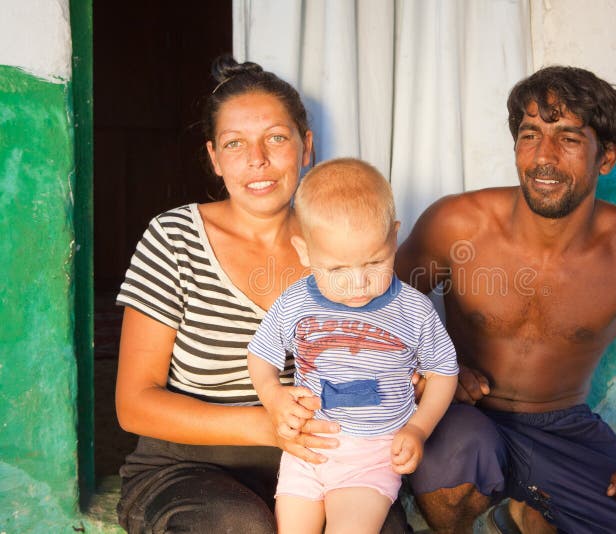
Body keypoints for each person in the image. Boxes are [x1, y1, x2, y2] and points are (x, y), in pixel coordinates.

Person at [395, 66, 616, 534]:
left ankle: (523, 515)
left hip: (562, 428)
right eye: (531, 135)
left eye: (568, 139)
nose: (544, 157)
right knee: (459, 450)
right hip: (462, 415)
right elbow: (373, 314)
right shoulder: (456, 224)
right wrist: (427, 371)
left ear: (605, 157)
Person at [114, 56, 408, 533]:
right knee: (240, 524)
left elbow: (374, 357)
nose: (258, 160)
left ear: (305, 146)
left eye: (276, 138)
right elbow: (134, 404)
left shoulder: (340, 245)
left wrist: (399, 383)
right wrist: (266, 424)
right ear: (214, 158)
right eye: (235, 144)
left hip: (321, 459)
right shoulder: (174, 238)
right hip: (187, 467)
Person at [247, 158, 459, 534]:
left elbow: (443, 372)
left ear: (394, 237)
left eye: (375, 262)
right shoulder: (295, 302)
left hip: (372, 454)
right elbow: (261, 355)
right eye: (337, 270)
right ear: (305, 252)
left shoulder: (413, 310)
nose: (358, 283)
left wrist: (419, 429)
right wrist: (273, 397)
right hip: (307, 448)